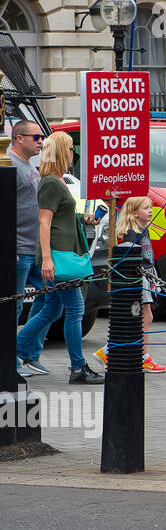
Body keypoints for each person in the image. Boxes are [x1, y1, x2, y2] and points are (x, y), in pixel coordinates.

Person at [17, 131, 101, 384]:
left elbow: (61, 217)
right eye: (70, 149)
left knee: (51, 310)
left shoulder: (57, 180)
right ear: (62, 152)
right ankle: (77, 368)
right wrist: (47, 259)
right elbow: (45, 221)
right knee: (75, 309)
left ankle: (14, 352)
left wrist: (85, 218)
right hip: (59, 257)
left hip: (63, 254)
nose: (73, 153)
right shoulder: (51, 183)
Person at [93, 198, 166, 373]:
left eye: (150, 207)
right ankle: (142, 357)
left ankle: (109, 351)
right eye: (146, 208)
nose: (150, 211)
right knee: (144, 318)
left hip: (146, 274)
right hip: (140, 277)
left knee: (141, 318)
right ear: (134, 213)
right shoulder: (132, 232)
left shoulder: (142, 229)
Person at [10, 120, 46, 377]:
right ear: (19, 138)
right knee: (15, 305)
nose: (40, 142)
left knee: (51, 295)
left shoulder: (30, 166)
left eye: (41, 137)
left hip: (34, 249)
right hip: (20, 247)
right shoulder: (10, 165)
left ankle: (28, 352)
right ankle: (10, 361)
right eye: (36, 137)